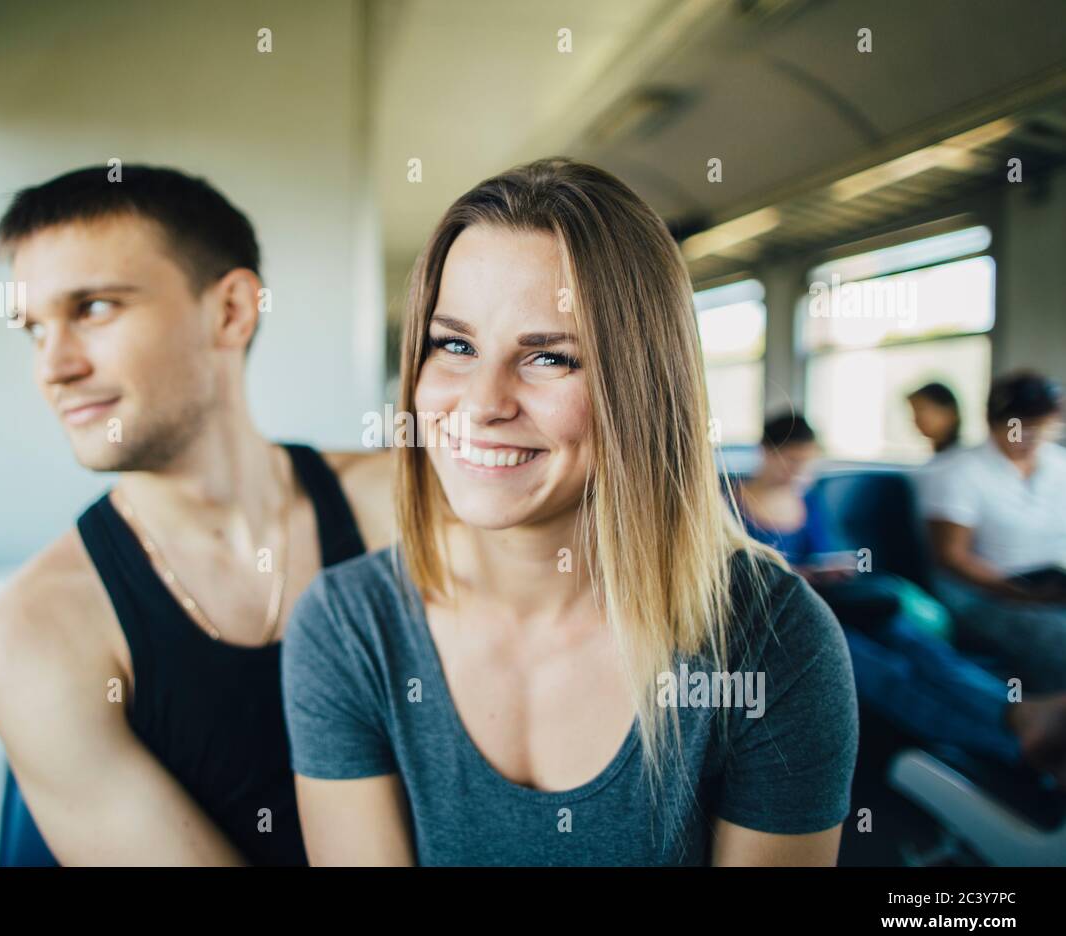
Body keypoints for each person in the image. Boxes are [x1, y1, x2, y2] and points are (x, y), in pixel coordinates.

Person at [282, 159, 858, 866]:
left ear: (642, 388)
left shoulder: (773, 640)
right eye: (454, 345)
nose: (483, 403)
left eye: (549, 358)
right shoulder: (347, 628)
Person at [0, 166, 394, 865]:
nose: (54, 366)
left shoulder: (403, 506)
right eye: (34, 330)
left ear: (230, 311)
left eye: (95, 308)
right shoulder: (36, 633)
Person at [739, 412, 1066, 787]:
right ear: (765, 453)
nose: (799, 470)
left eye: (806, 461)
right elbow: (734, 577)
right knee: (885, 671)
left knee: (922, 649)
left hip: (833, 605)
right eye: (791, 460)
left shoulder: (808, 501)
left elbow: (823, 559)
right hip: (783, 618)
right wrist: (798, 575)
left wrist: (831, 571)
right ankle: (1009, 744)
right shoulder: (730, 502)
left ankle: (1019, 713)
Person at [922, 370, 1066, 692]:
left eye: (1042, 428)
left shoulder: (1059, 465)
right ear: (993, 422)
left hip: (1048, 585)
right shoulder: (957, 472)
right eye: (1021, 428)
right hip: (983, 594)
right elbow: (951, 557)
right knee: (1057, 636)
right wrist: (1022, 594)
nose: (1032, 438)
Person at [906, 381, 962, 458]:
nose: (916, 419)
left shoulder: (966, 464)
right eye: (915, 412)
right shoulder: (938, 460)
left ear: (949, 412)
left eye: (921, 410)